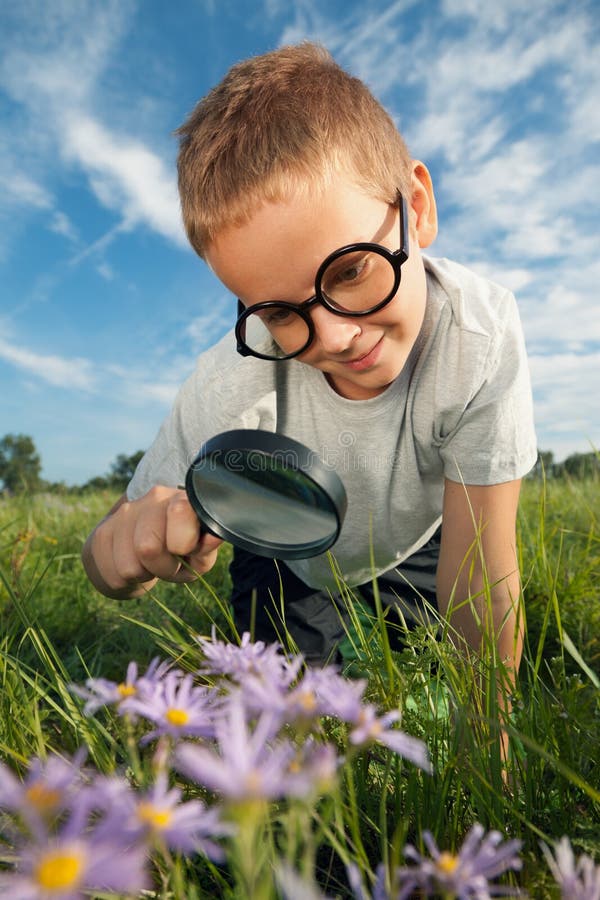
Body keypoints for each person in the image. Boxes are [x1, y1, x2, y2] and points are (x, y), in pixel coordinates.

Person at [82, 44, 537, 708]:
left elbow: (481, 573)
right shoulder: (230, 383)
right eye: (277, 313)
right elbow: (108, 550)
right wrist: (123, 557)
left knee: (418, 679)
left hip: (412, 542)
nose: (332, 336)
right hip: (281, 545)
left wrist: (490, 751)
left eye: (351, 271)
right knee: (288, 702)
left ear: (417, 206)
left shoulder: (480, 336)